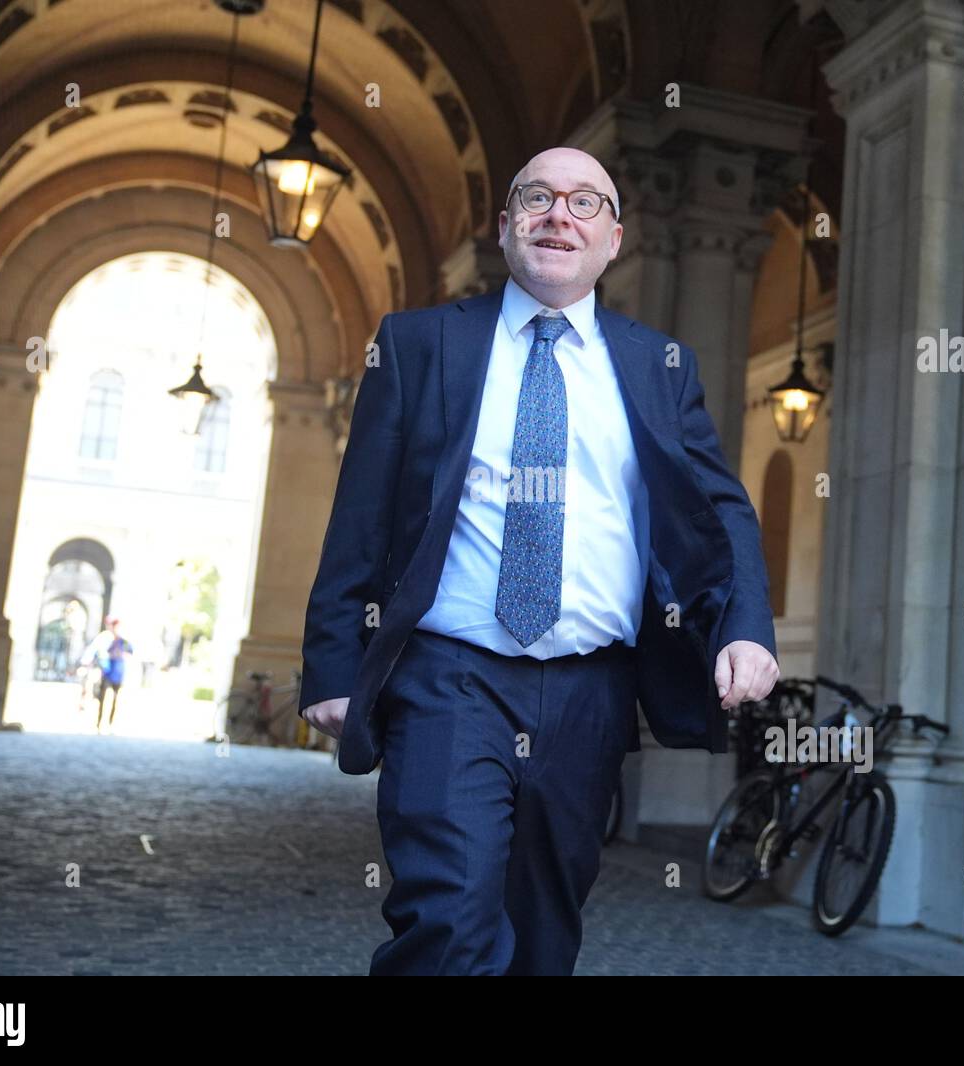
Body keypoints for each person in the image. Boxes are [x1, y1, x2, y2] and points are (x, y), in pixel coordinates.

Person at [298, 147, 779, 976]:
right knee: (447, 919)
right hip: (450, 677)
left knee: (544, 930)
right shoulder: (419, 346)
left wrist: (745, 626)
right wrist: (333, 660)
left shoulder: (659, 366)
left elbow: (719, 507)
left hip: (594, 689)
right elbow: (363, 511)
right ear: (506, 224)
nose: (561, 215)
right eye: (539, 198)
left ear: (615, 238)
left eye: (586, 203)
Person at [79, 615, 133, 733]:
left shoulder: (123, 641)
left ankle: (110, 724)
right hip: (106, 671)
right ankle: (99, 724)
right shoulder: (104, 638)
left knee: (115, 698)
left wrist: (121, 655)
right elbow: (94, 651)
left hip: (118, 672)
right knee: (102, 698)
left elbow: (130, 652)